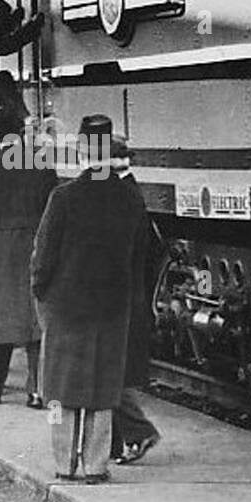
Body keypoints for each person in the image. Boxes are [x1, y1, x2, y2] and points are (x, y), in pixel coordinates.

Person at [31, 114, 147, 482]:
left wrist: (40, 289)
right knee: (102, 388)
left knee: (62, 390)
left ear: (82, 151)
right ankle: (96, 466)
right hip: (112, 307)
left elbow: (43, 256)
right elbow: (140, 256)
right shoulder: (130, 199)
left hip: (66, 307)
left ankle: (64, 465)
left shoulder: (64, 196)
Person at [0, 112, 57, 406]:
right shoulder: (42, 166)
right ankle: (37, 391)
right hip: (35, 247)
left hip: (0, 254)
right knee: (35, 326)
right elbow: (53, 214)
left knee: (0, 324)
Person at [108, 135, 162, 464]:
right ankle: (118, 441)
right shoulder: (130, 191)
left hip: (119, 295)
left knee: (109, 370)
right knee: (115, 368)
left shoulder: (122, 196)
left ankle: (138, 432)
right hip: (130, 292)